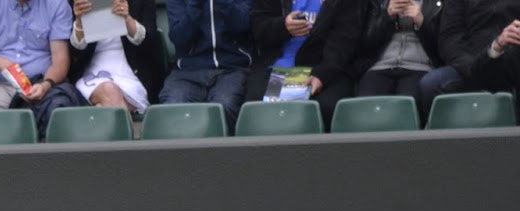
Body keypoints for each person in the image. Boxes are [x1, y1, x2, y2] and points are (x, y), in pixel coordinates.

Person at [0, 0, 83, 136]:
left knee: (58, 111)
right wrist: (0, 63)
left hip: (39, 86)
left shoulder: (57, 4)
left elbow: (60, 61)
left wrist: (46, 84)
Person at [244, 0, 362, 129]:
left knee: (328, 107)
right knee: (256, 105)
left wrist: (323, 74)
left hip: (324, 68)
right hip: (277, 70)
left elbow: (344, 41)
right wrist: (283, 27)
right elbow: (259, 30)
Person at [158, 0, 255, 126]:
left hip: (232, 68)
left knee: (226, 104)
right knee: (173, 103)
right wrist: (195, 4)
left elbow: (243, 25)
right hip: (187, 71)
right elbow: (179, 38)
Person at [349, 0, 445, 121]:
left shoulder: (438, 3)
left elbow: (445, 45)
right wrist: (386, 17)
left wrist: (421, 22)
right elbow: (362, 45)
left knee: (407, 107)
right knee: (367, 107)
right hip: (379, 65)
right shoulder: (376, 3)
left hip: (419, 66)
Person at [69, 0, 166, 113]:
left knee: (107, 102)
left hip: (132, 74)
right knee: (109, 90)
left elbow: (150, 45)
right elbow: (74, 54)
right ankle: (125, 127)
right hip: (90, 74)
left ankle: (103, 113)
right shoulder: (78, 2)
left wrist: (127, 19)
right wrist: (80, 24)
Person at [432, 0, 520, 97]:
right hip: (471, 61)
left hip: (512, 58)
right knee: (432, 84)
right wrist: (471, 67)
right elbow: (450, 37)